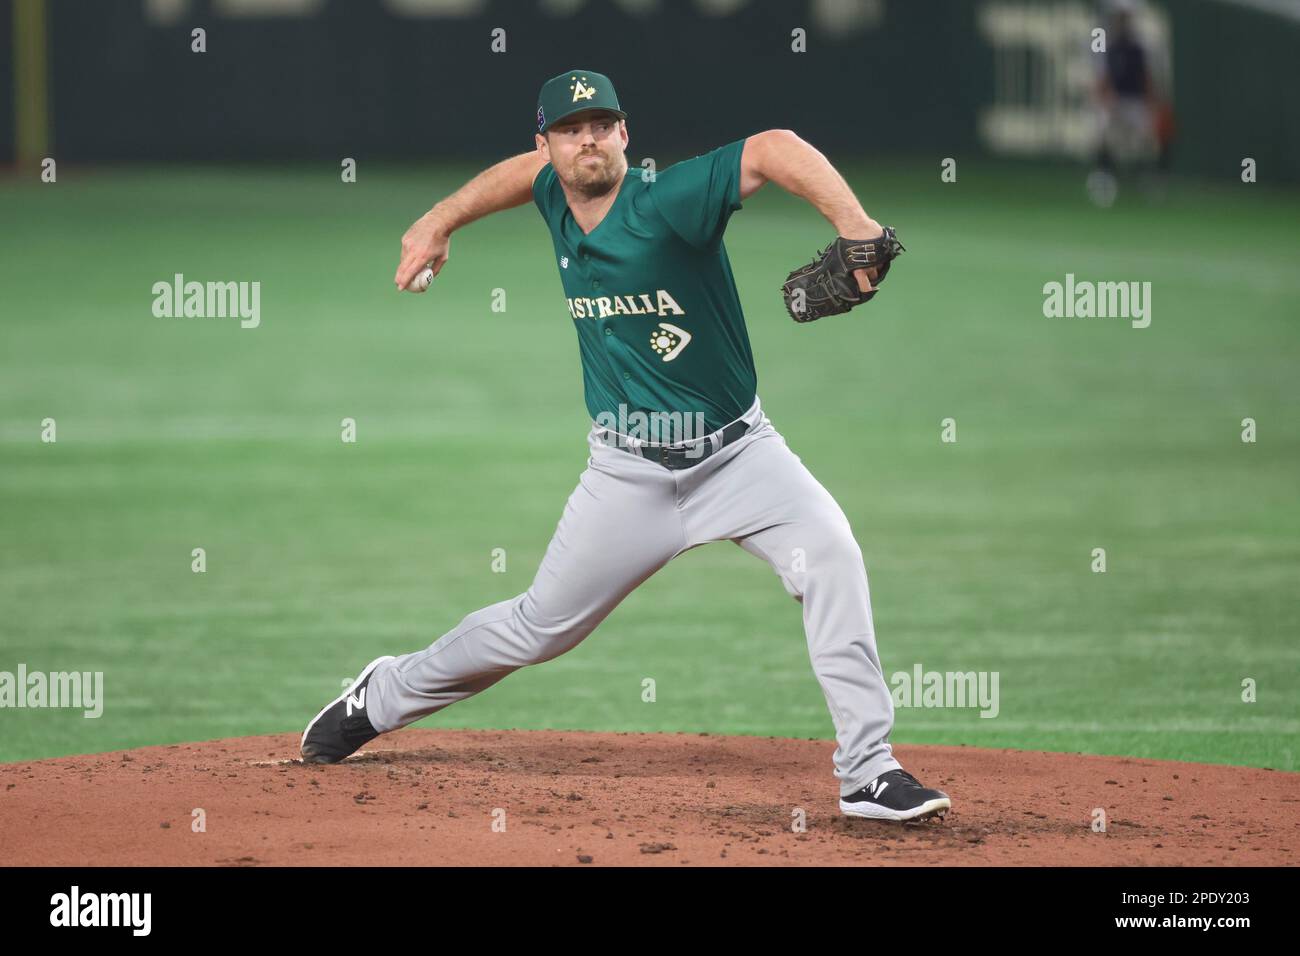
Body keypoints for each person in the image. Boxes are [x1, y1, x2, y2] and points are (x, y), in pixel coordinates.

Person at [300, 69, 950, 822]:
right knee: (539, 628)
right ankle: (381, 694)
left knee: (832, 554)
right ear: (548, 143)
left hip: (743, 458)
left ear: (624, 136)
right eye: (572, 129)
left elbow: (773, 148)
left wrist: (857, 228)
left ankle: (868, 771)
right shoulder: (552, 190)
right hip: (626, 475)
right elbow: (519, 177)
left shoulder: (668, 203)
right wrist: (439, 220)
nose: (589, 140)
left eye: (603, 125)